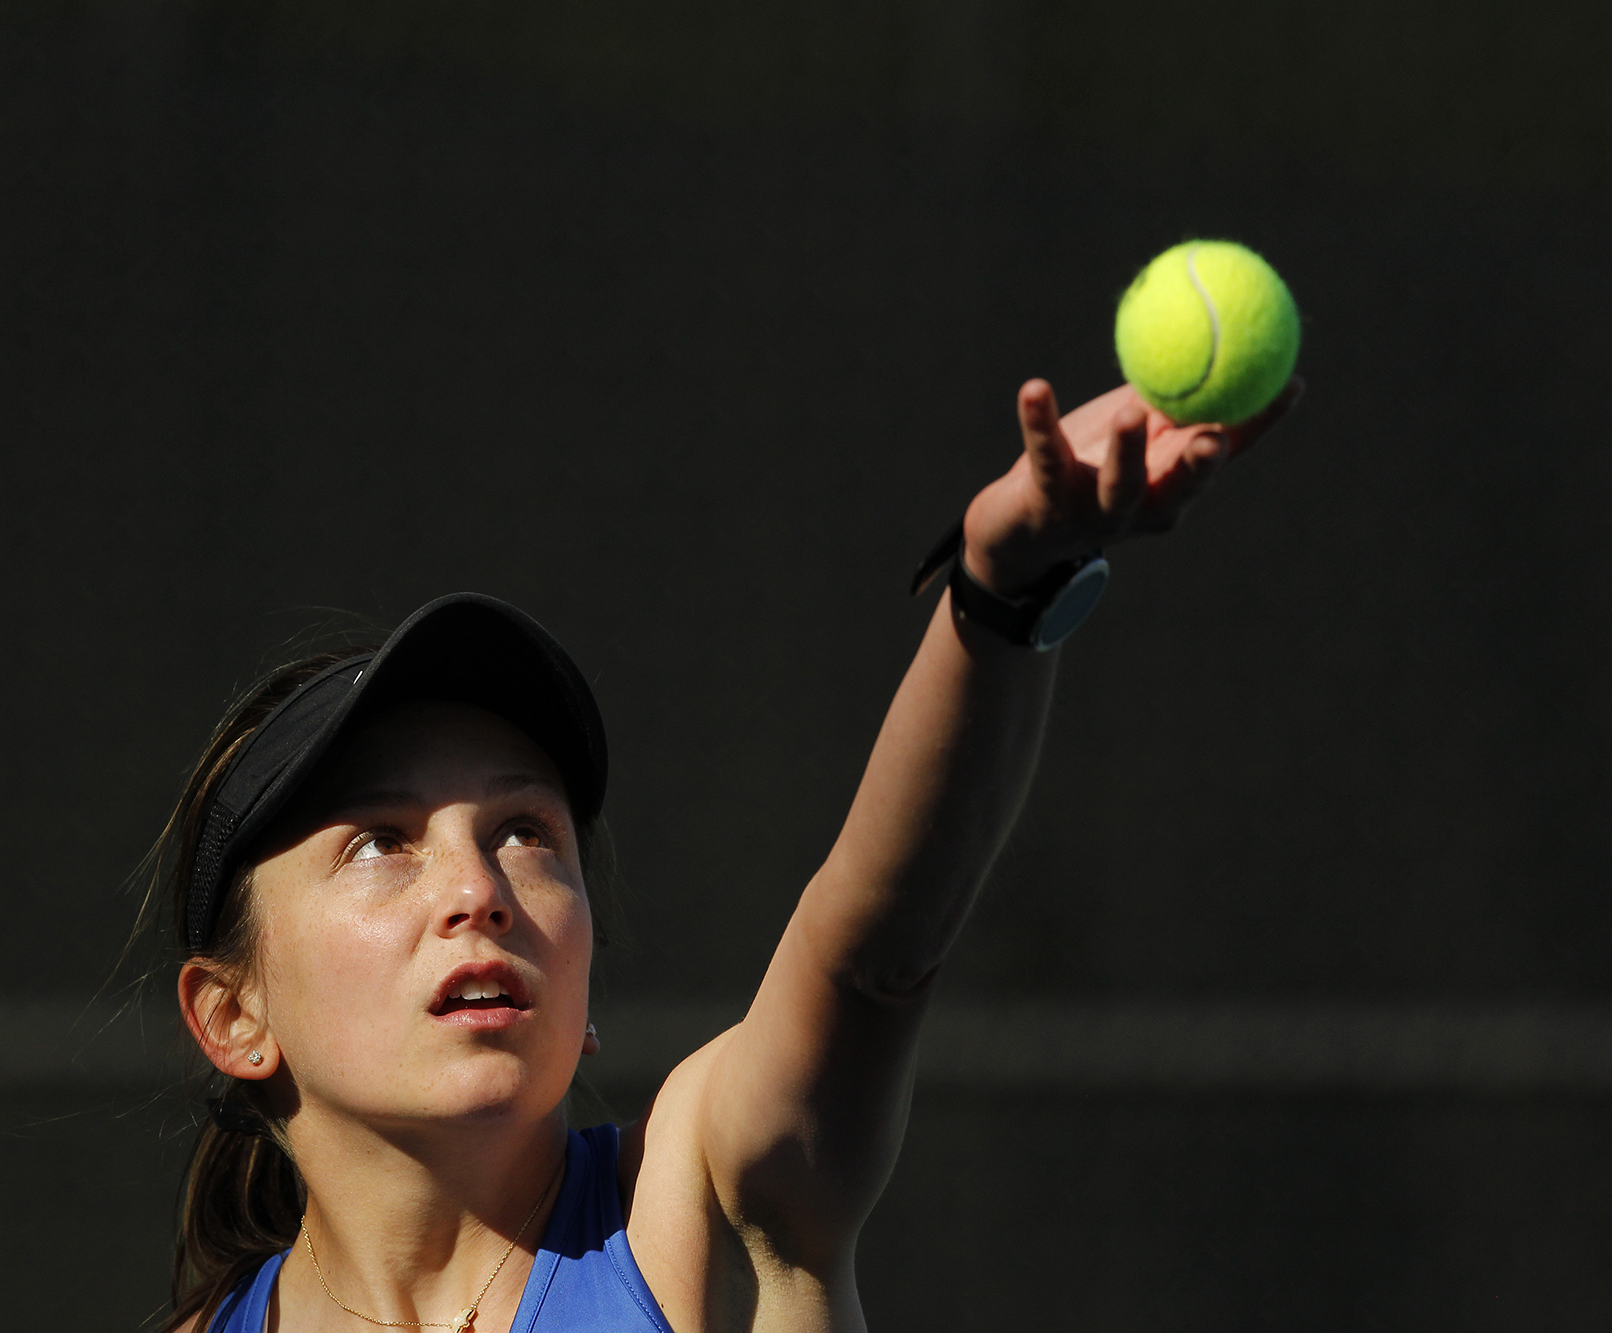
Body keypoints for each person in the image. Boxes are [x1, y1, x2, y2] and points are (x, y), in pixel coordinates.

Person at [149, 375, 1301, 1332]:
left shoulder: (693, 1205)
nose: (478, 890)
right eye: (378, 844)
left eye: (523, 831)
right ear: (231, 1016)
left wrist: (1000, 597)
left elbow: (867, 957)